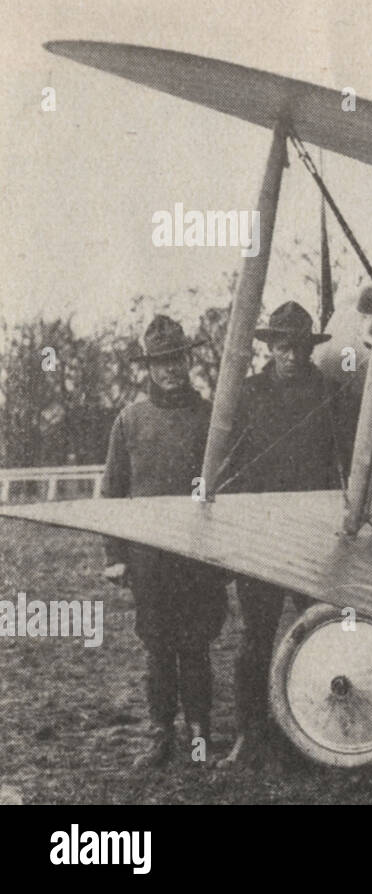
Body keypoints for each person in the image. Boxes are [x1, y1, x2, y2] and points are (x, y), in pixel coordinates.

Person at [216, 301, 357, 769]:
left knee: (321, 630)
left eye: (299, 347)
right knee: (256, 635)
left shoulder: (330, 393)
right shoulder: (247, 393)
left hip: (314, 532)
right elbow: (227, 460)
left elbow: (348, 463)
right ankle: (250, 734)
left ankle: (322, 726)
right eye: (283, 347)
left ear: (309, 347)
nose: (292, 355)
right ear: (269, 347)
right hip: (260, 530)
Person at [101, 315, 228, 769]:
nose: (171, 369)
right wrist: (115, 556)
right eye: (161, 362)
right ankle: (161, 733)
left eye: (177, 359)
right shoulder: (130, 420)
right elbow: (113, 490)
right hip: (149, 559)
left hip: (197, 554)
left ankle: (199, 733)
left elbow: (228, 486)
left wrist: (225, 553)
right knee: (158, 648)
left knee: (195, 646)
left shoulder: (212, 416)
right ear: (148, 367)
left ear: (188, 359)